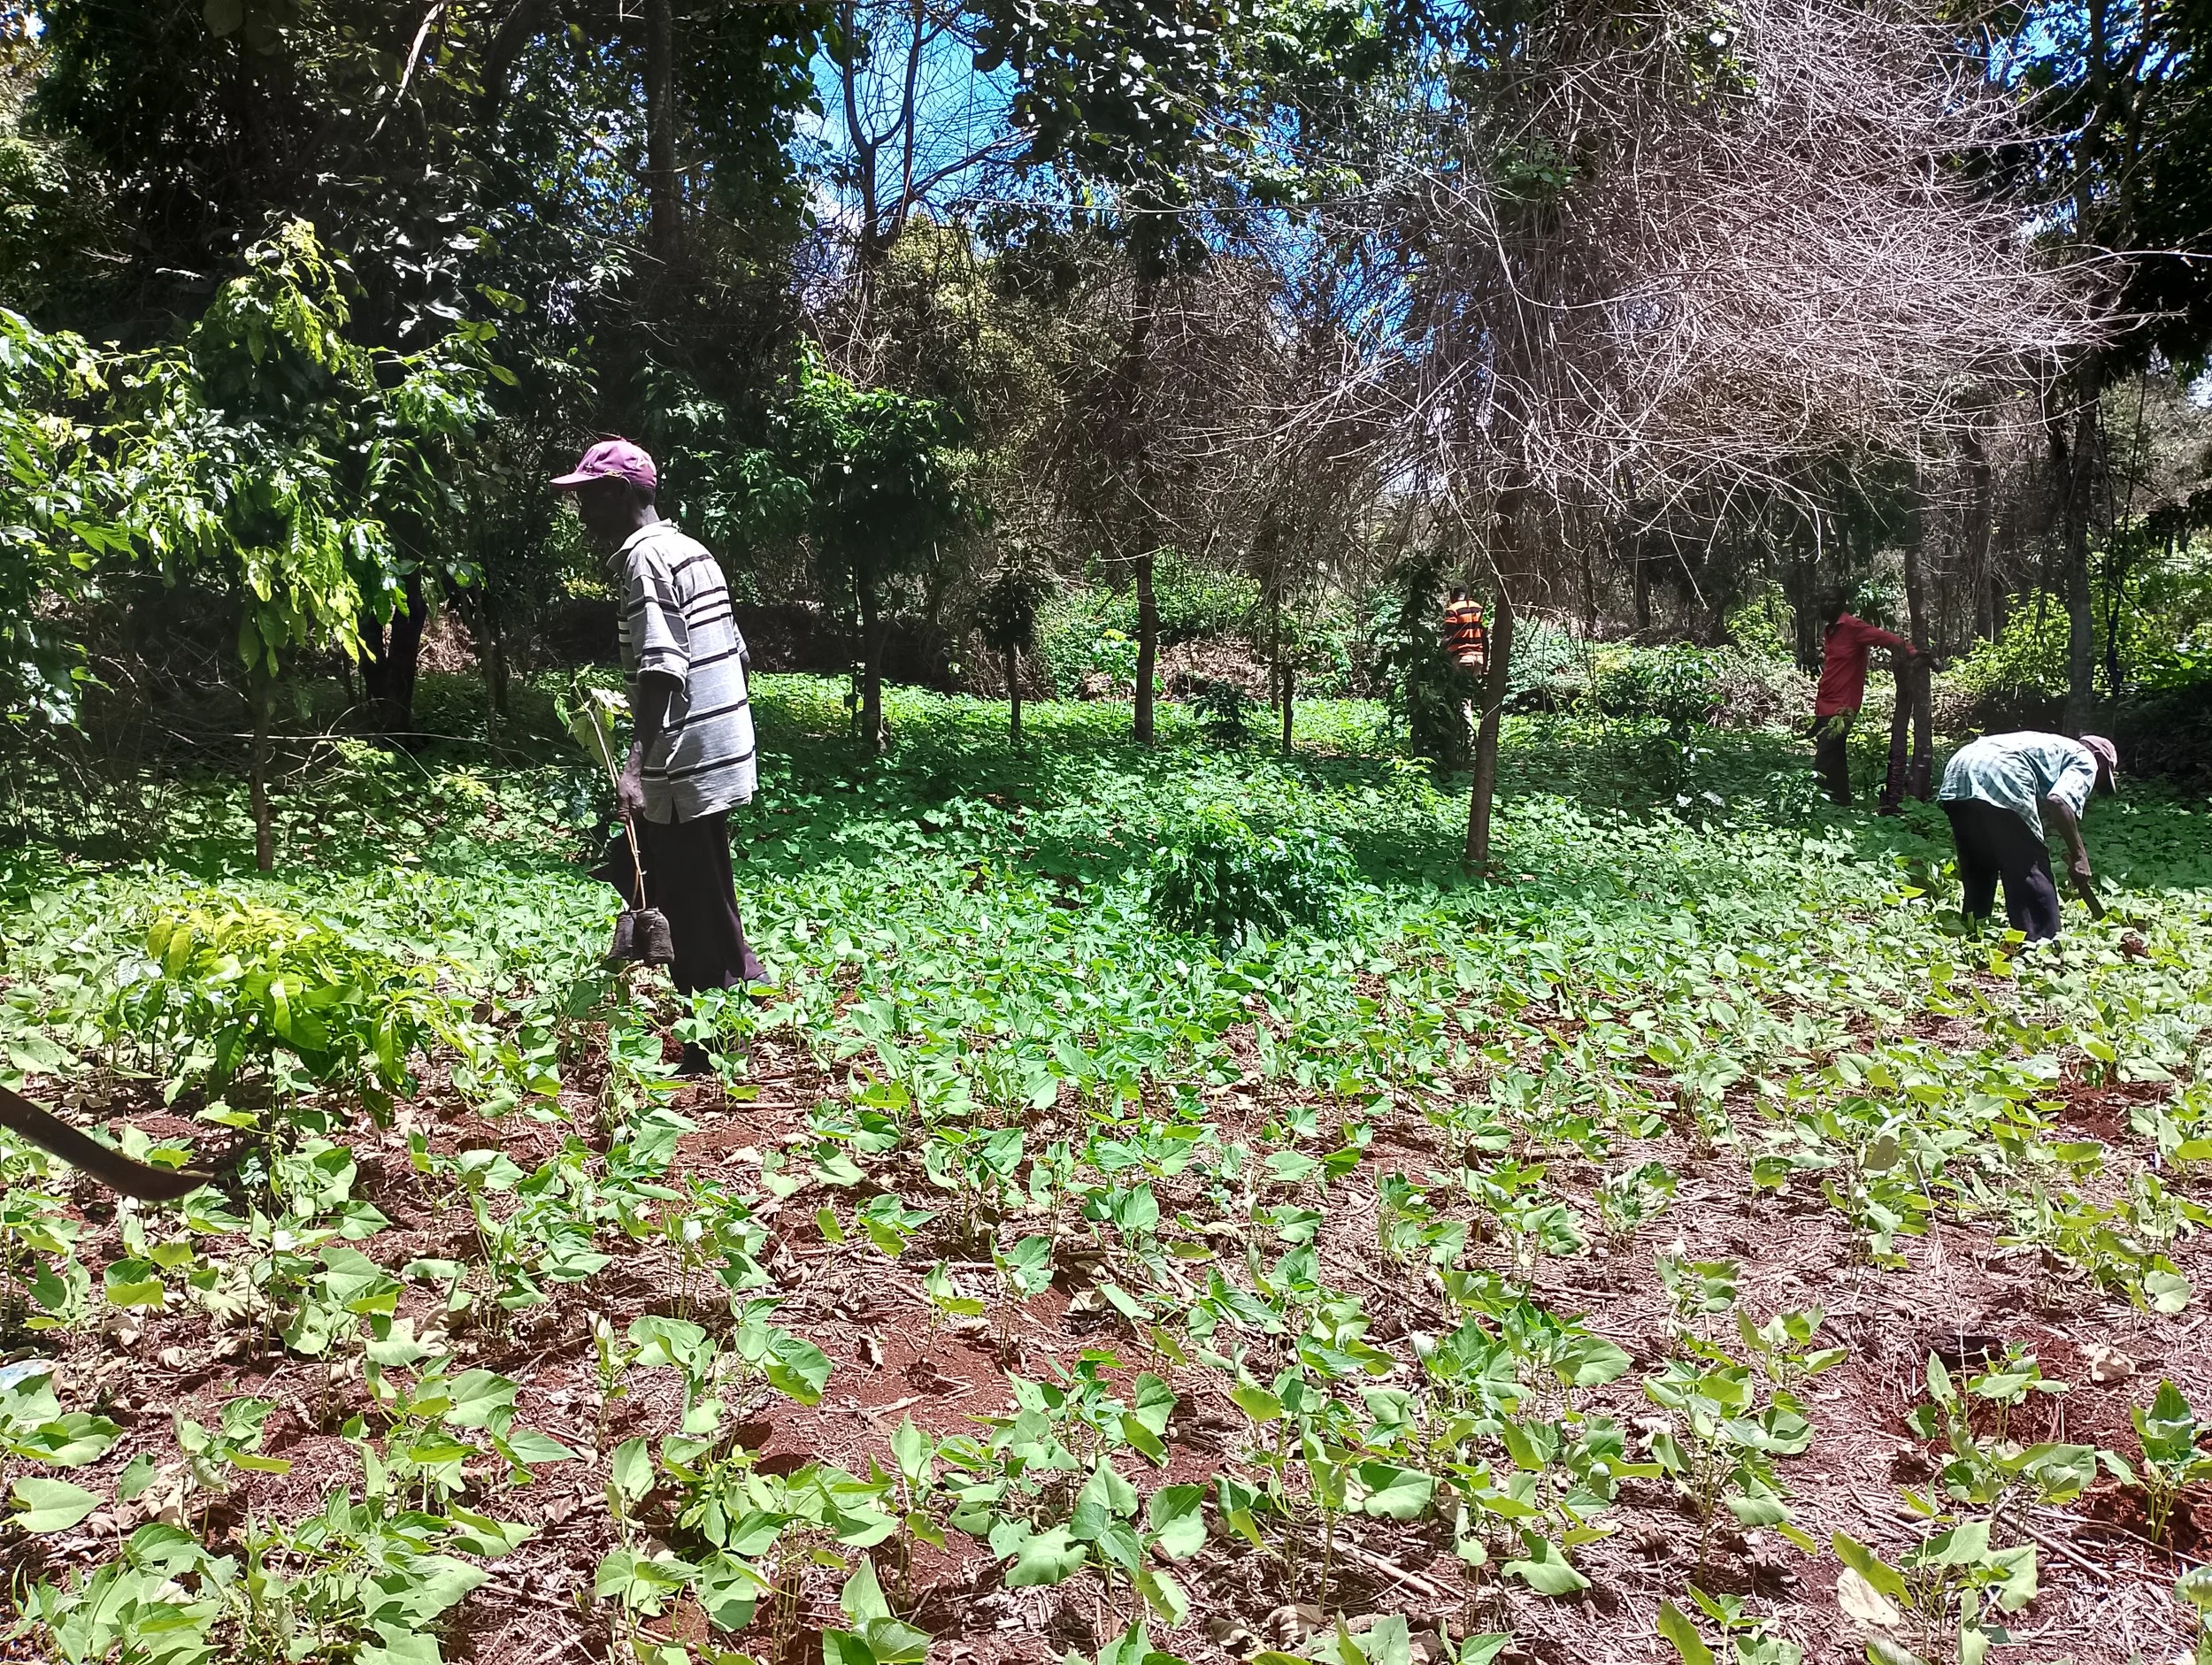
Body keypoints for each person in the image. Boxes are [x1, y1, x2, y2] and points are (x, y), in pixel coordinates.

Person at [554, 438, 765, 1073]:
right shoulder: (690, 549)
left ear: (620, 494)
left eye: (589, 499)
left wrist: (635, 765)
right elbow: (737, 650)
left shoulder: (644, 562)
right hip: (717, 747)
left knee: (689, 896)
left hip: (684, 759)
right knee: (679, 880)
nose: (583, 514)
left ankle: (717, 1037)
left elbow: (661, 668)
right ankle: (721, 1001)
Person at [1938, 731, 2117, 942]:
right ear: (2099, 757)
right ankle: (2042, 944)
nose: (2098, 782)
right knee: (2029, 865)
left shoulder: (2047, 744)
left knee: (1980, 863)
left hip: (1959, 769)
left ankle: (1974, 933)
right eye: (2106, 773)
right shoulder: (2086, 757)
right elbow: (2059, 800)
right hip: (2000, 771)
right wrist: (2080, 856)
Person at [1809, 592, 1917, 805]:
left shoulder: (1853, 627)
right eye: (1823, 600)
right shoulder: (1829, 630)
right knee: (1835, 758)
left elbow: (1889, 639)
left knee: (1824, 761)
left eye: (1832, 599)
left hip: (1843, 707)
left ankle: (1818, 807)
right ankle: (1841, 803)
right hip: (1825, 703)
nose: (1827, 604)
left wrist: (1914, 652)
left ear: (1842, 603)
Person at [1441, 587, 1487, 673]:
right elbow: (1485, 638)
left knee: (1458, 685)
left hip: (1462, 658)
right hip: (1479, 659)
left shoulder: (1453, 610)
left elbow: (1448, 636)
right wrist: (1485, 664)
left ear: (1452, 596)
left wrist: (1439, 652)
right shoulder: (1479, 609)